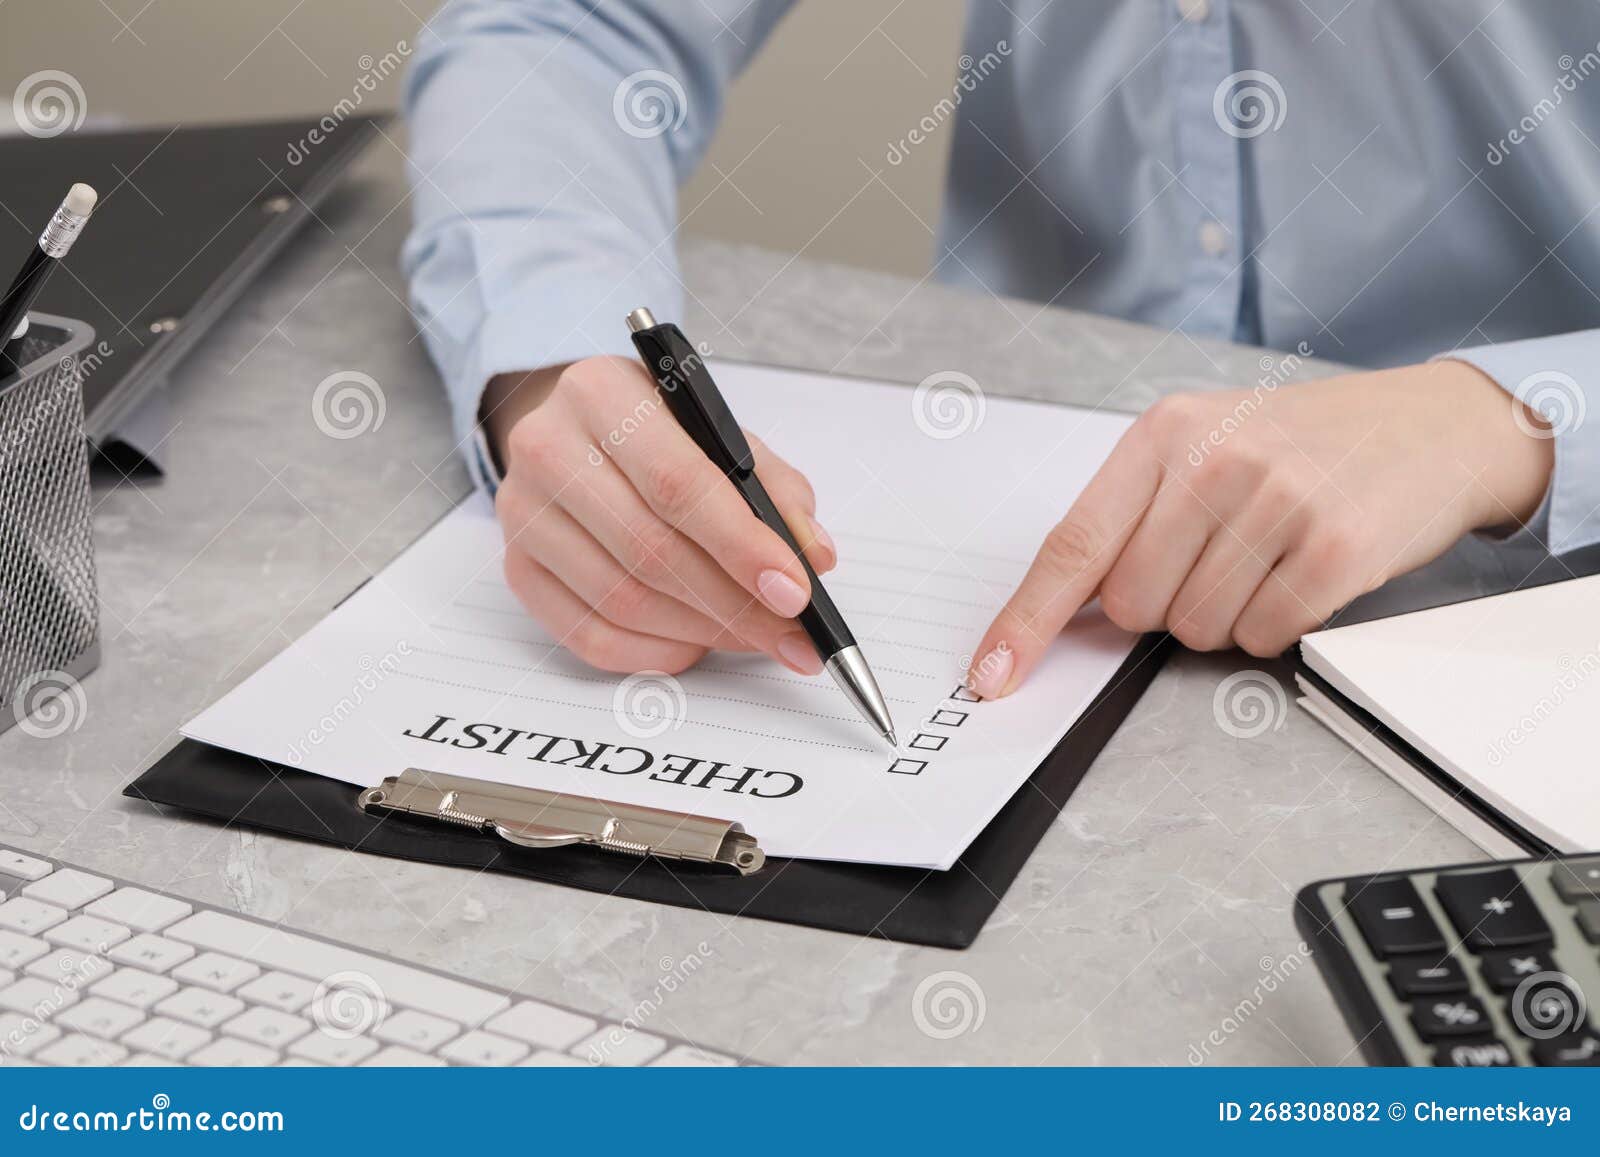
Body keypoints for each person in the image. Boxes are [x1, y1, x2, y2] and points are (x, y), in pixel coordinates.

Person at [401, 1, 1599, 699]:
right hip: (997, 490)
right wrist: (553, 358)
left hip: (1520, 614)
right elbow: (576, 26)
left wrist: (1516, 419)